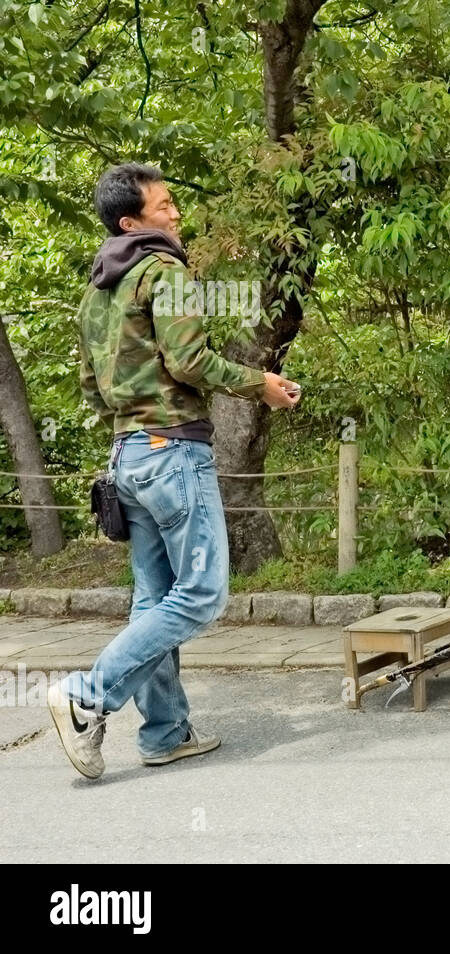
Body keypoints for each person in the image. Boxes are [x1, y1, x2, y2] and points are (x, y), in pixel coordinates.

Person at [48, 162, 300, 780]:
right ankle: (87, 694)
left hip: (128, 455)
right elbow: (189, 359)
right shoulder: (163, 269)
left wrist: (135, 411)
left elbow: (90, 385)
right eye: (164, 207)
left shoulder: (97, 290)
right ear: (132, 222)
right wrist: (258, 383)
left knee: (154, 600)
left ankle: (165, 732)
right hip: (173, 451)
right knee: (204, 593)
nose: (176, 214)